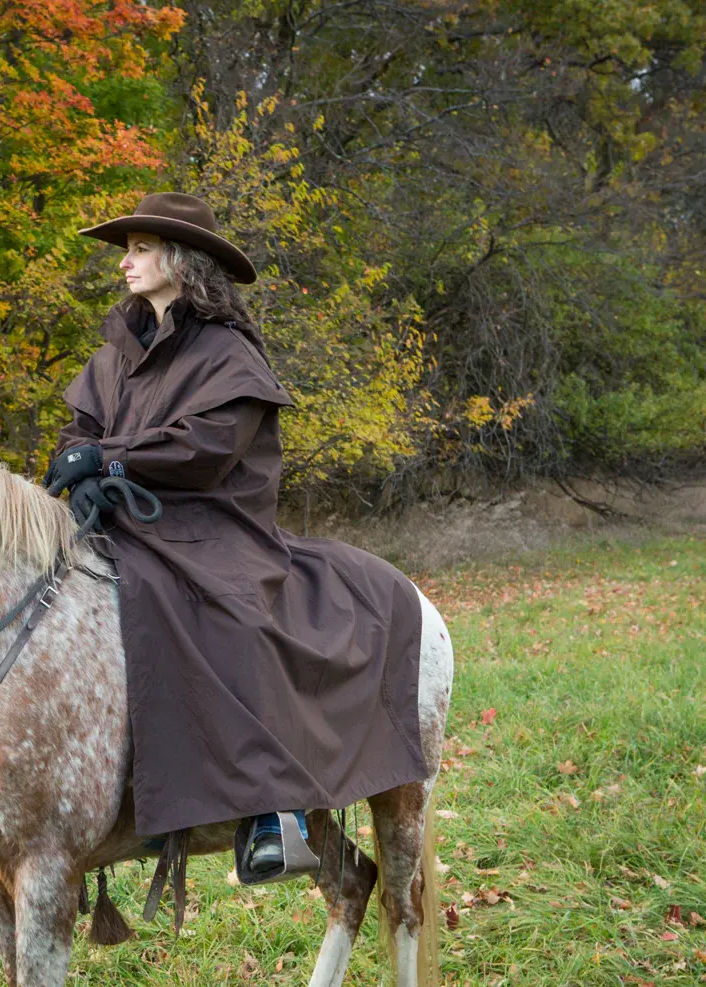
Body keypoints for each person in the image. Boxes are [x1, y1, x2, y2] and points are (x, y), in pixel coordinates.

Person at [43, 192, 431, 882]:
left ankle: (273, 809)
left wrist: (110, 460)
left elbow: (209, 448)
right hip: (123, 522)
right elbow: (81, 431)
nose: (125, 263)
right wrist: (83, 468)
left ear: (181, 260)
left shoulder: (228, 352)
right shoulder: (115, 354)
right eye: (126, 250)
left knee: (238, 615)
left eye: (140, 249)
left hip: (214, 525)